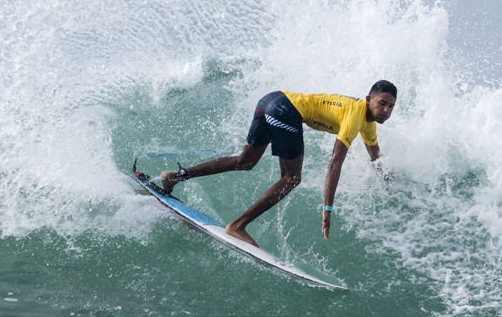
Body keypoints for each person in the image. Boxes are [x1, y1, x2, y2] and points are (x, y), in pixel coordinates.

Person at [158, 81, 397, 247]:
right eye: (382, 103)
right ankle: (237, 226)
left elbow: (375, 156)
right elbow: (335, 162)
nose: (386, 110)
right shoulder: (356, 113)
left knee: (245, 161)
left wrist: (389, 183)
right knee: (292, 178)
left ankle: (173, 177)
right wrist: (327, 209)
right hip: (285, 109)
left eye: (391, 107)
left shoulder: (368, 125)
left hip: (272, 99)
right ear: (369, 100)